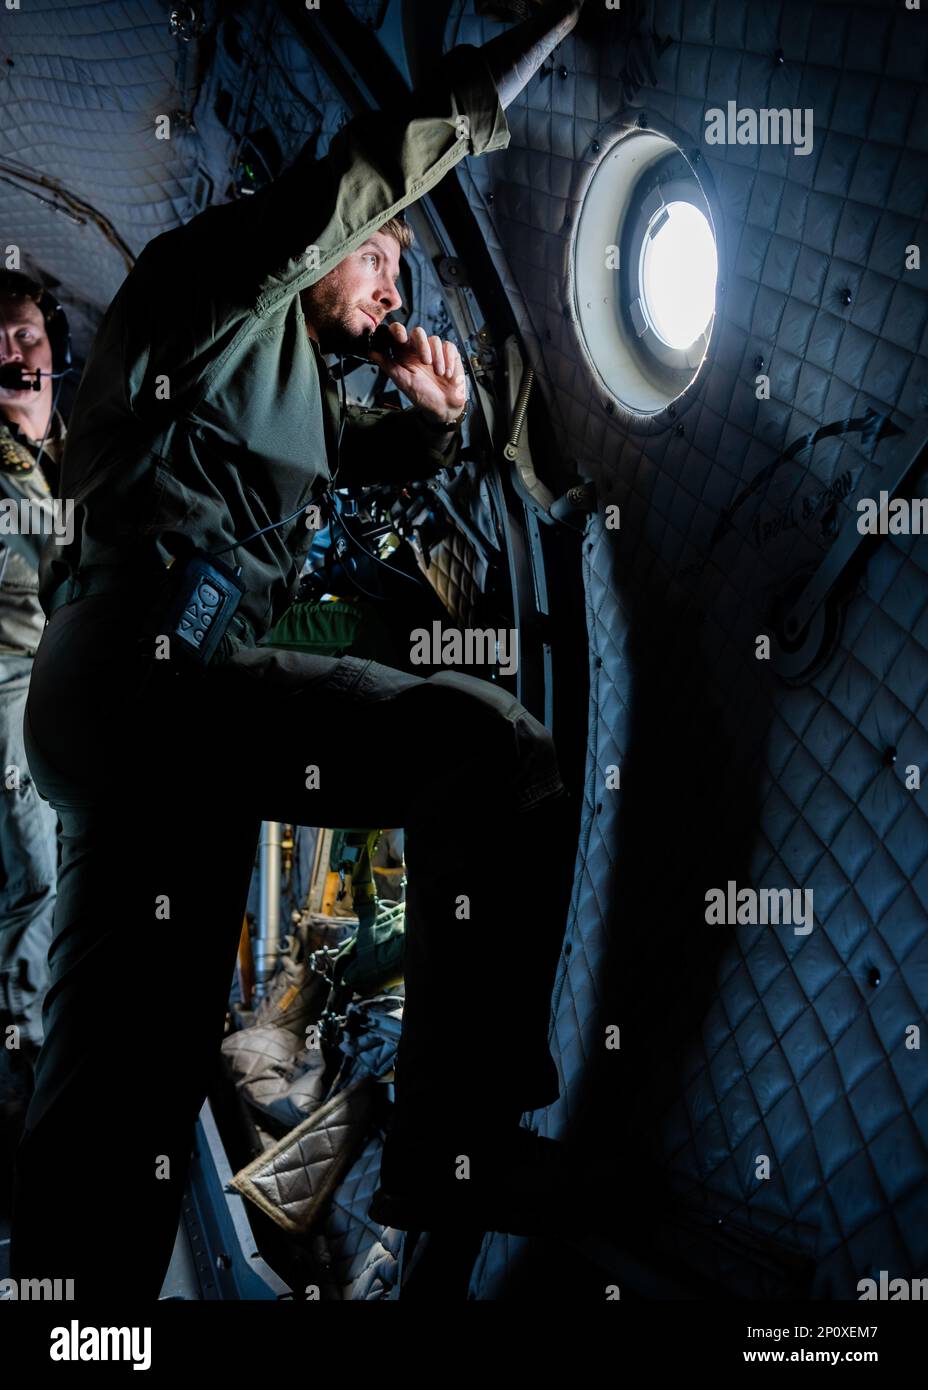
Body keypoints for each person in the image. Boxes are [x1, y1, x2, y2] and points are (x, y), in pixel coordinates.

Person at [11, 2, 586, 1298]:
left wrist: (435, 423)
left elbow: (333, 453)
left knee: (124, 1075)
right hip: (153, 670)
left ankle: (66, 1312)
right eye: (382, 261)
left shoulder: (268, 380)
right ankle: (450, 1143)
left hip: (136, 706)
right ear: (312, 242)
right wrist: (519, 54)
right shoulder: (213, 279)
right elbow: (354, 180)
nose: (391, 286)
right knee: (488, 747)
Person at [0, 274, 68, 1162]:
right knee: (41, 874)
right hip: (10, 676)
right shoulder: (13, 458)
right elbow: (61, 560)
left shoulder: (54, 450)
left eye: (25, 338)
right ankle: (28, 1081)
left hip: (42, 670)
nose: (15, 357)